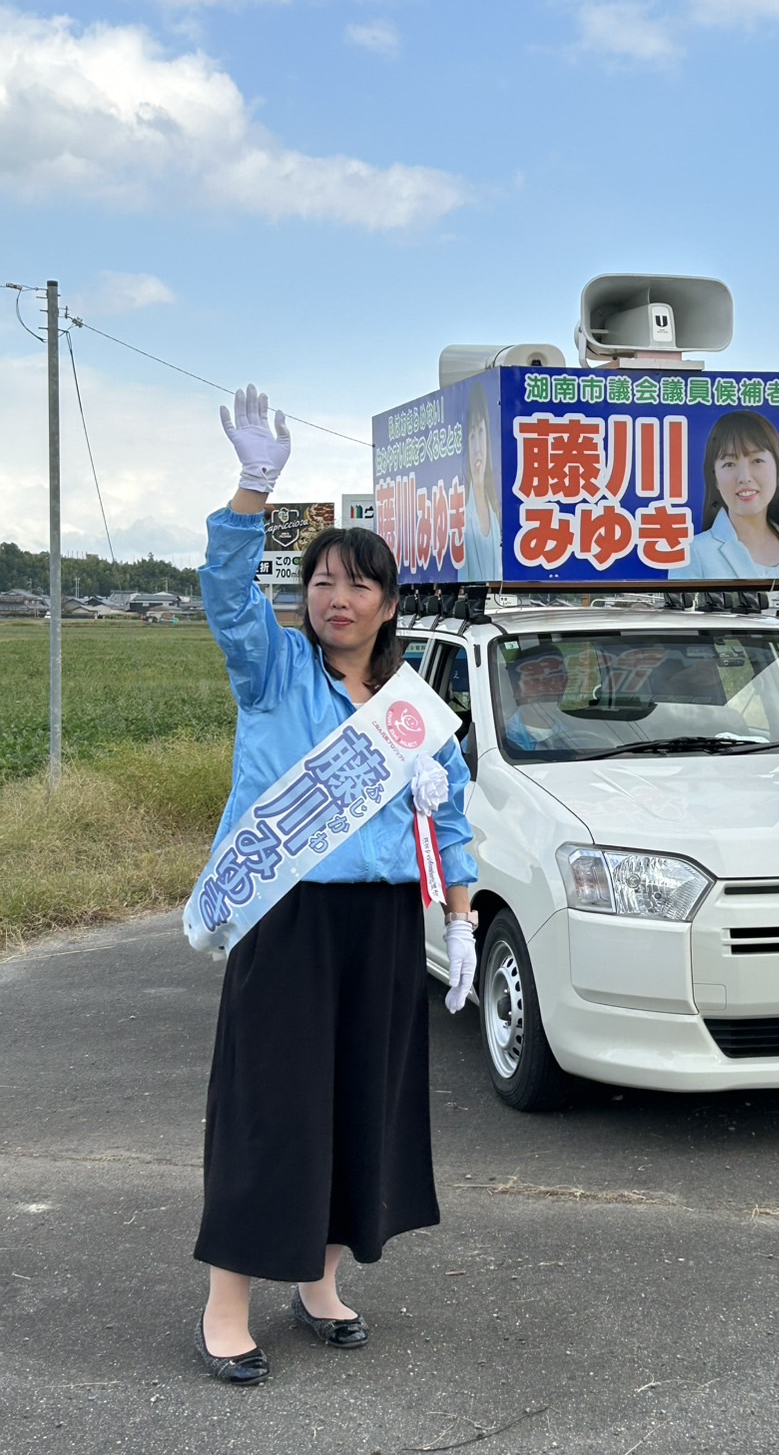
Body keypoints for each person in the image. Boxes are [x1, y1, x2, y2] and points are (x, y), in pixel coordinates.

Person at [192, 384, 478, 1385]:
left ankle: (318, 1280)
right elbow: (226, 595)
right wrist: (249, 491)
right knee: (273, 1104)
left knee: (362, 1098)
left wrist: (463, 913)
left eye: (360, 585)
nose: (339, 598)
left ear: (389, 605)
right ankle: (228, 1304)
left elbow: (449, 819)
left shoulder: (409, 707)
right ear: (305, 596)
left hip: (385, 927)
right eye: (323, 582)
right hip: (289, 915)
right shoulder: (273, 672)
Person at [671, 410, 779, 581]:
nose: (744, 477)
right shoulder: (693, 553)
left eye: (757, 461)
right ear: (714, 477)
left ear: (778, 471)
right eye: (729, 464)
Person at [457, 380, 503, 581]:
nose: (477, 448)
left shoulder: (496, 509)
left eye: (481, 432)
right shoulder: (460, 512)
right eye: (472, 435)